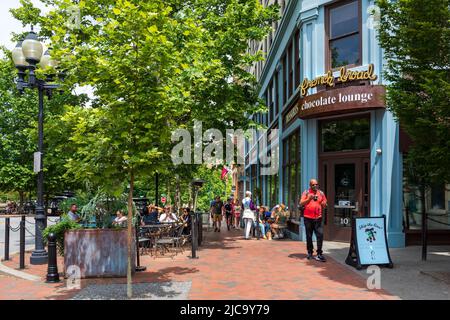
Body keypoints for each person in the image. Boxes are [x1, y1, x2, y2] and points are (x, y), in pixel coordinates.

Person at [299, 179, 327, 262]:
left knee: (320, 235)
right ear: (310, 185)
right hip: (308, 218)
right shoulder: (306, 192)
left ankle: (319, 253)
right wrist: (309, 199)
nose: (315, 186)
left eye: (316, 184)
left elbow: (324, 202)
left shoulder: (321, 193)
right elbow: (301, 203)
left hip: (318, 217)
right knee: (309, 236)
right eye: (313, 184)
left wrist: (324, 204)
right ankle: (310, 252)